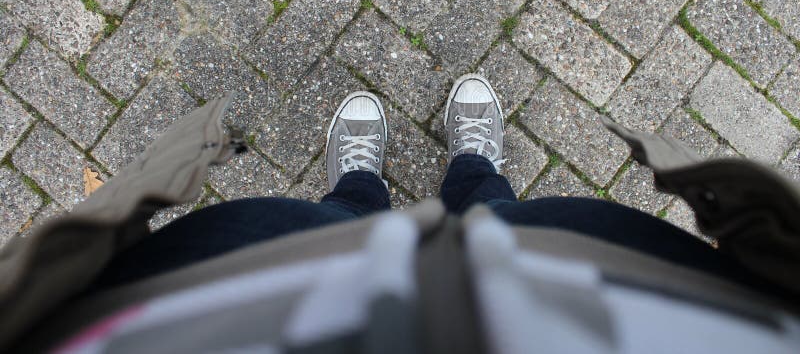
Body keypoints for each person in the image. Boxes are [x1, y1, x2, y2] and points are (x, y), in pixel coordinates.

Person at [2, 75, 800, 352]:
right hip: (653, 304)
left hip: (194, 314)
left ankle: (358, 187)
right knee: (501, 217)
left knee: (330, 228)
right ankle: (472, 170)